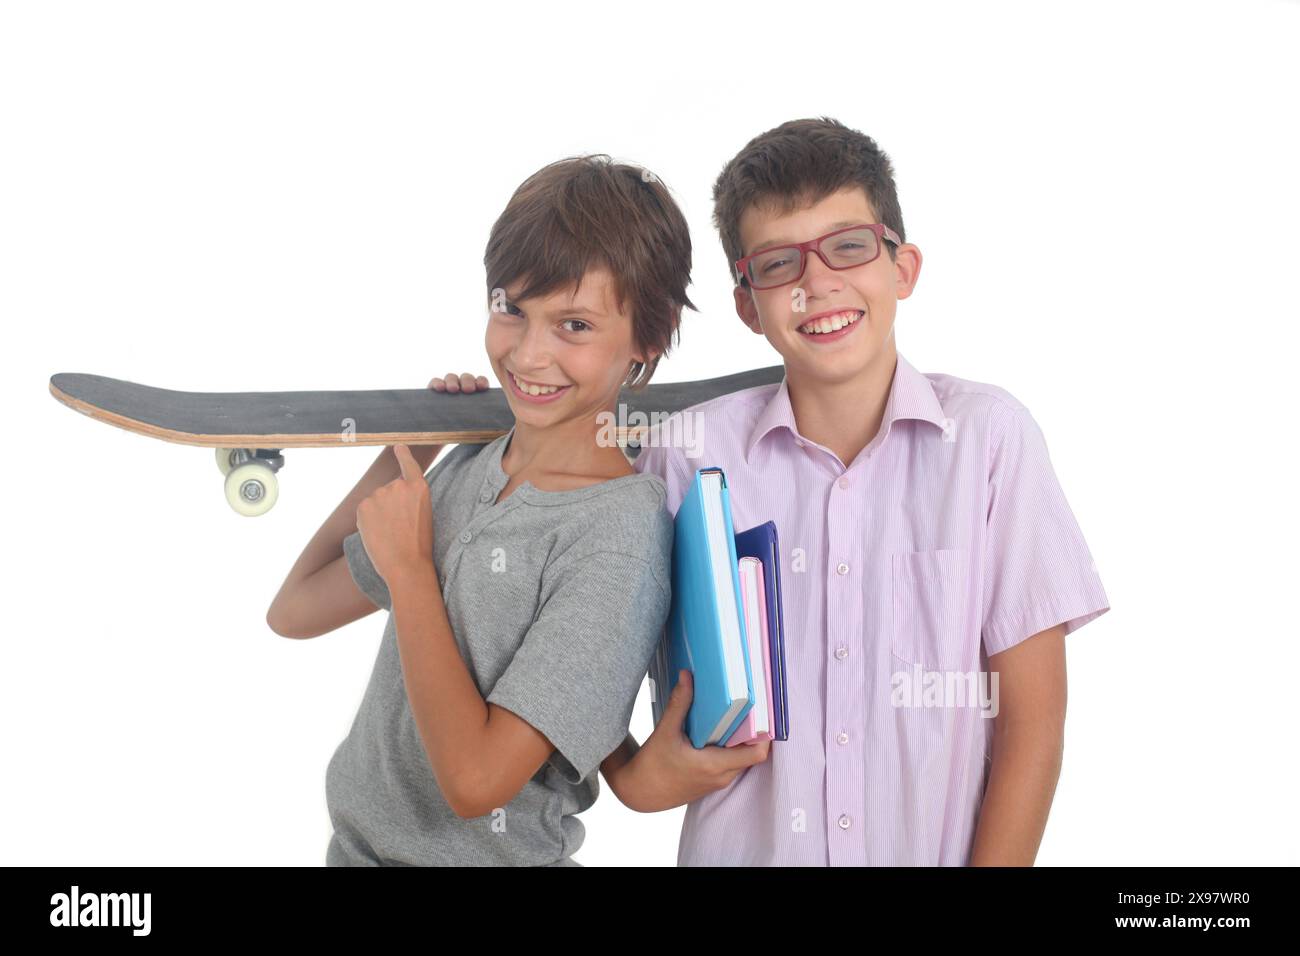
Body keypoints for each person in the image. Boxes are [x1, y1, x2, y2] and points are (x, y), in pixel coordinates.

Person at [602, 117, 1112, 866]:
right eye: (779, 263)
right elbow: (575, 626)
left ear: (902, 268)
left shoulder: (989, 441)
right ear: (748, 306)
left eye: (848, 246)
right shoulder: (686, 455)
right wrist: (632, 775)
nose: (818, 283)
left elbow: (1032, 726)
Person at [266, 154, 694, 866]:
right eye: (511, 309)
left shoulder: (618, 536)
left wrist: (411, 573)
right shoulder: (473, 468)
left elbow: (476, 783)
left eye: (574, 325)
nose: (528, 354)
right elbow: (295, 609)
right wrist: (412, 449)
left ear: (650, 337)